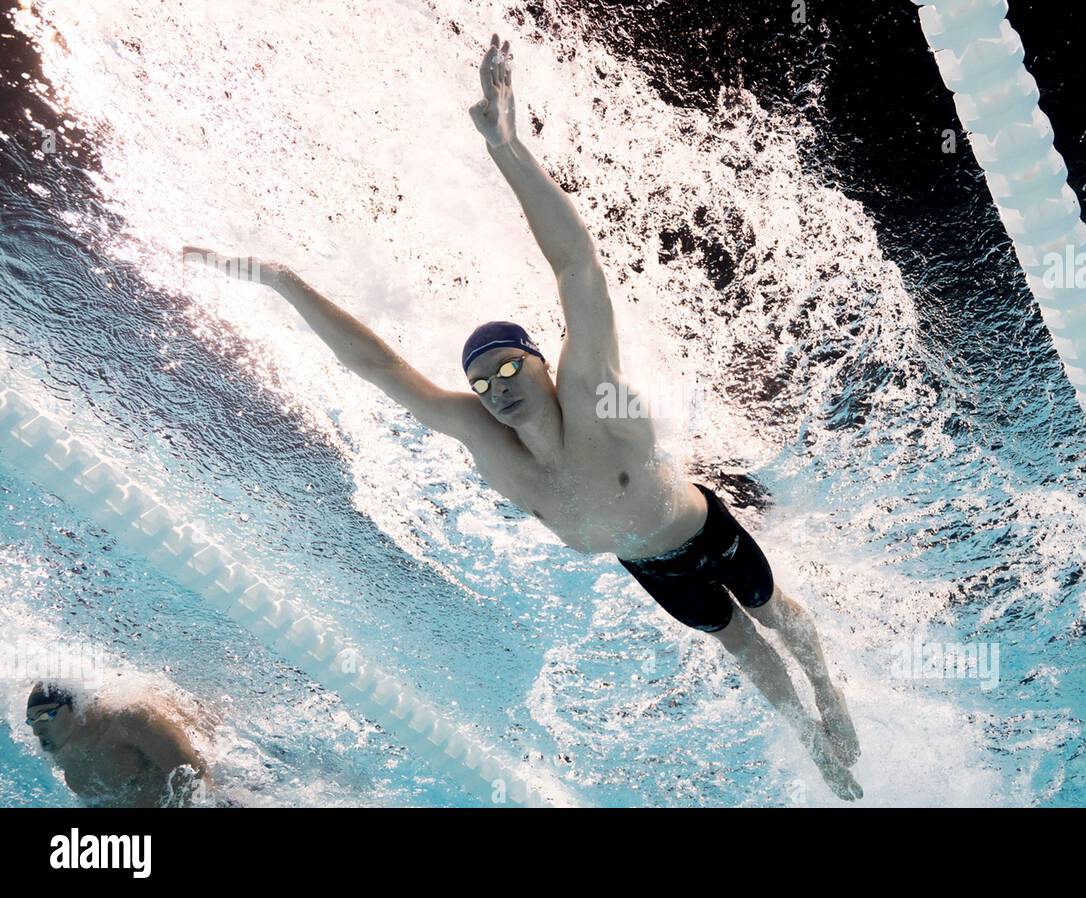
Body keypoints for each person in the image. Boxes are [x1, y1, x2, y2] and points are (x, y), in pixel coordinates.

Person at [182, 33, 862, 800]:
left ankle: (829, 689)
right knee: (742, 648)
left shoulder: (587, 387)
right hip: (649, 566)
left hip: (700, 527)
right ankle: (810, 739)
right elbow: (378, 368)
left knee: (776, 618)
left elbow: (577, 263)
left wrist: (508, 147)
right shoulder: (488, 442)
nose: (497, 387)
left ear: (540, 360)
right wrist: (282, 280)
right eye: (481, 382)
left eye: (509, 367)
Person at [26, 681, 215, 808]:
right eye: (32, 721)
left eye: (45, 716)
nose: (37, 730)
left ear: (74, 708)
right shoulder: (64, 759)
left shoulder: (130, 720)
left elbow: (195, 776)